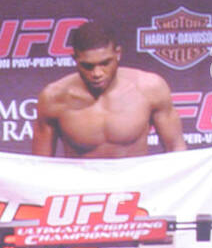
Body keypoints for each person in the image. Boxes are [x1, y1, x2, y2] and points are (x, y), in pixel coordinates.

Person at [32, 20, 186, 158]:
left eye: (105, 63)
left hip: (136, 185)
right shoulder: (53, 98)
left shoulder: (150, 88)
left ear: (118, 54)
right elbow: (40, 166)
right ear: (75, 60)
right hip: (81, 187)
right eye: (88, 66)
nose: (97, 73)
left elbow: (176, 149)